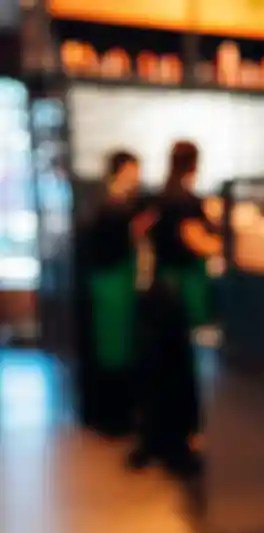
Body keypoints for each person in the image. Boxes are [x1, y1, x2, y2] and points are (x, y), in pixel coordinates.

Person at [131, 140, 222, 476]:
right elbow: (195, 241)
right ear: (195, 164)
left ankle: (152, 440)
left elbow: (139, 232)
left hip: (154, 288)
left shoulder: (155, 196)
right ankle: (179, 445)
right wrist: (226, 244)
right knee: (180, 368)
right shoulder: (185, 200)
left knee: (156, 367)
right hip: (177, 293)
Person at [82, 150, 148, 437]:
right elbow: (119, 244)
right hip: (111, 286)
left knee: (117, 350)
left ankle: (116, 415)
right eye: (134, 170)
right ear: (122, 171)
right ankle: (113, 419)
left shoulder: (113, 204)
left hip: (113, 285)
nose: (138, 177)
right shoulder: (112, 206)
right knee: (114, 351)